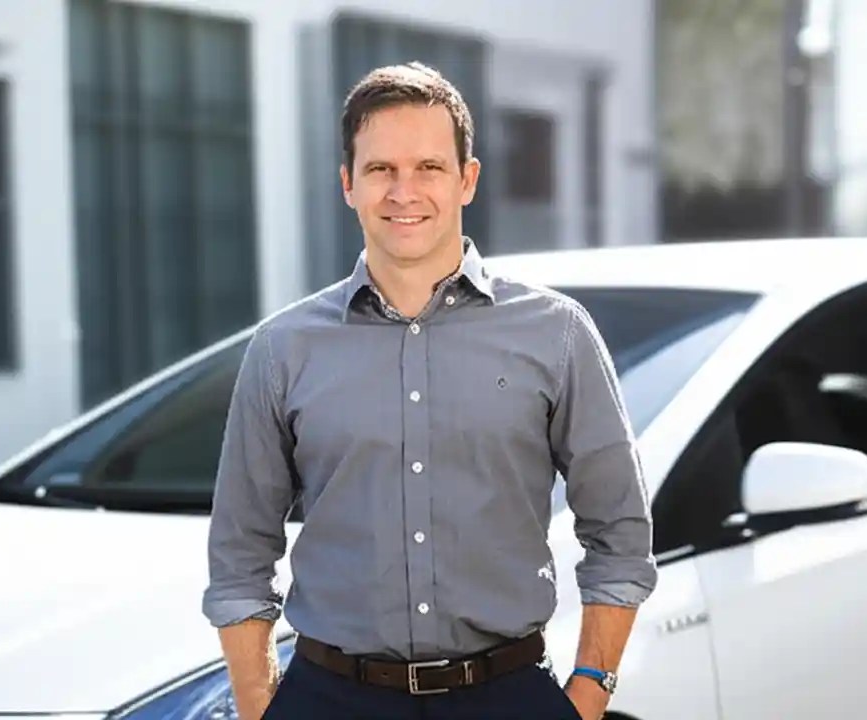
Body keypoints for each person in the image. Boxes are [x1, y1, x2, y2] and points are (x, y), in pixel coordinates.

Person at [203, 61, 656, 720]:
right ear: (347, 185)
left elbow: (619, 533)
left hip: (509, 697)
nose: (403, 191)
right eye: (380, 169)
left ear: (467, 180)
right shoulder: (284, 349)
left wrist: (588, 694)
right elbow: (241, 550)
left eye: (429, 168)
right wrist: (257, 703)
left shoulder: (556, 335)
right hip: (329, 697)